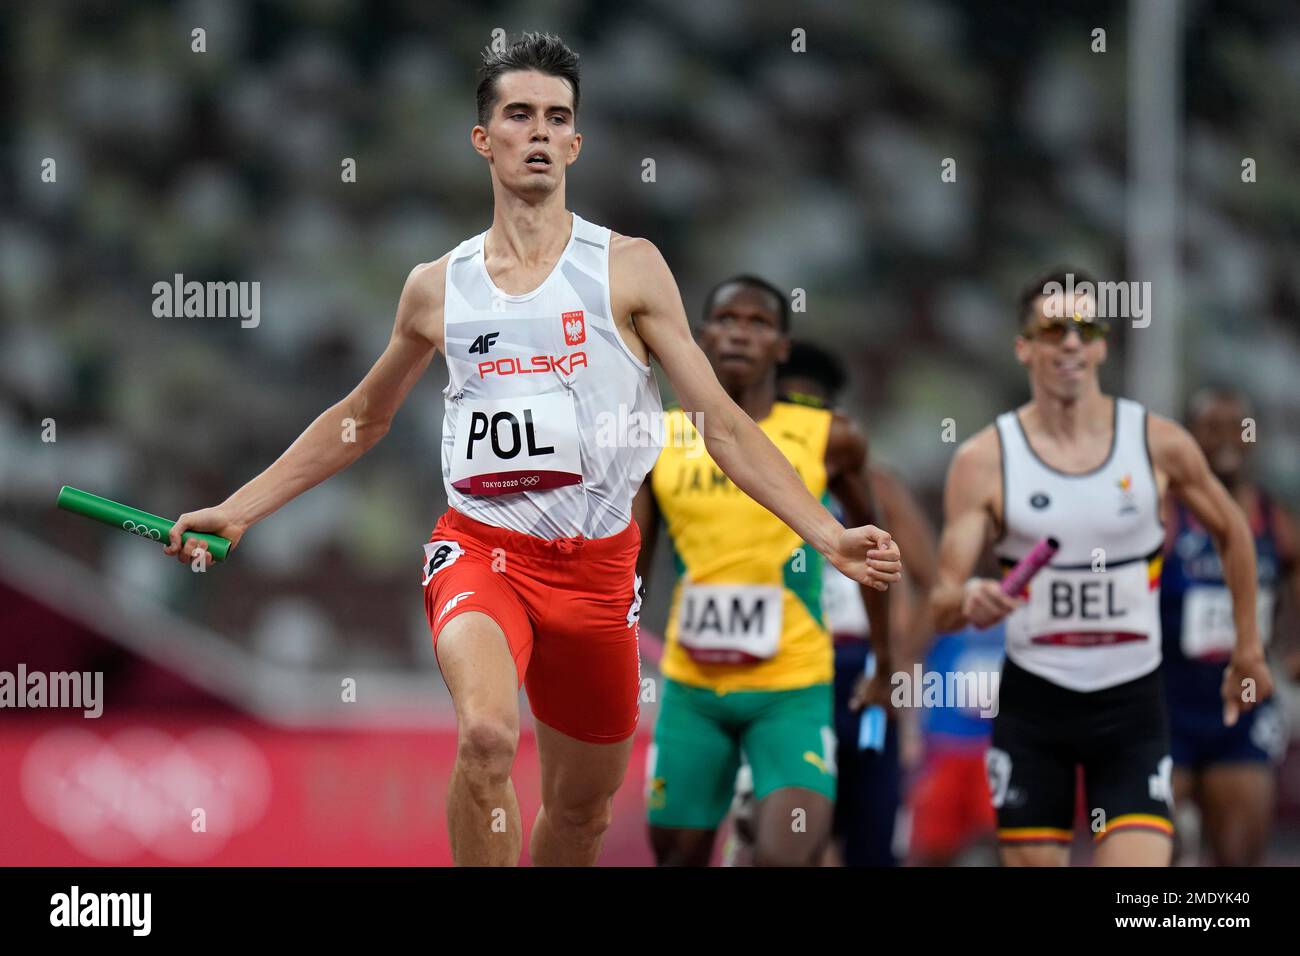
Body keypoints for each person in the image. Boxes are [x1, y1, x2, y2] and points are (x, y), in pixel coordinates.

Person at [162, 32, 901, 867]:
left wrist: (826, 533)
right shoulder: (437, 287)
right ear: (485, 139)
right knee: (484, 734)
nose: (540, 132)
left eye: (558, 118)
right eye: (520, 115)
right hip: (482, 550)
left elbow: (724, 425)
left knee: (580, 812)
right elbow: (360, 418)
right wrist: (240, 510)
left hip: (596, 574)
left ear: (577, 143)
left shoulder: (627, 269)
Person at [929, 268, 1273, 866]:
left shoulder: (1156, 442)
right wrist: (969, 599)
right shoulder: (984, 459)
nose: (1069, 342)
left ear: (1101, 345)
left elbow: (1234, 530)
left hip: (1131, 706)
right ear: (1024, 347)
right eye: (1053, 328)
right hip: (1035, 708)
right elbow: (941, 602)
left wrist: (1249, 650)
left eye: (1085, 329)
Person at [635, 279, 895, 866]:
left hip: (791, 689)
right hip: (693, 691)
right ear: (701, 338)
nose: (739, 333)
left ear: (782, 346)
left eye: (757, 323)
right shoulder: (660, 435)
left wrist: (884, 665)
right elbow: (635, 566)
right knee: (677, 857)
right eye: (726, 319)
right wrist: (613, 649)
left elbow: (873, 555)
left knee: (789, 854)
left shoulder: (831, 436)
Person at [779, 340, 940, 866]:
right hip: (783, 674)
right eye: (788, 404)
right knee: (795, 833)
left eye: (813, 405)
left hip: (860, 672)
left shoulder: (878, 488)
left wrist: (894, 662)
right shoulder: (755, 486)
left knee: (871, 832)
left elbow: (933, 583)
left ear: (833, 414)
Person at [1161, 386, 1296, 865]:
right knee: (1154, 853)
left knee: (1240, 857)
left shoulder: (1271, 516)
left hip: (1242, 712)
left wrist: (1294, 645)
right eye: (1211, 428)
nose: (1226, 439)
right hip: (1166, 708)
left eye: (1237, 427)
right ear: (1188, 438)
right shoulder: (1168, 512)